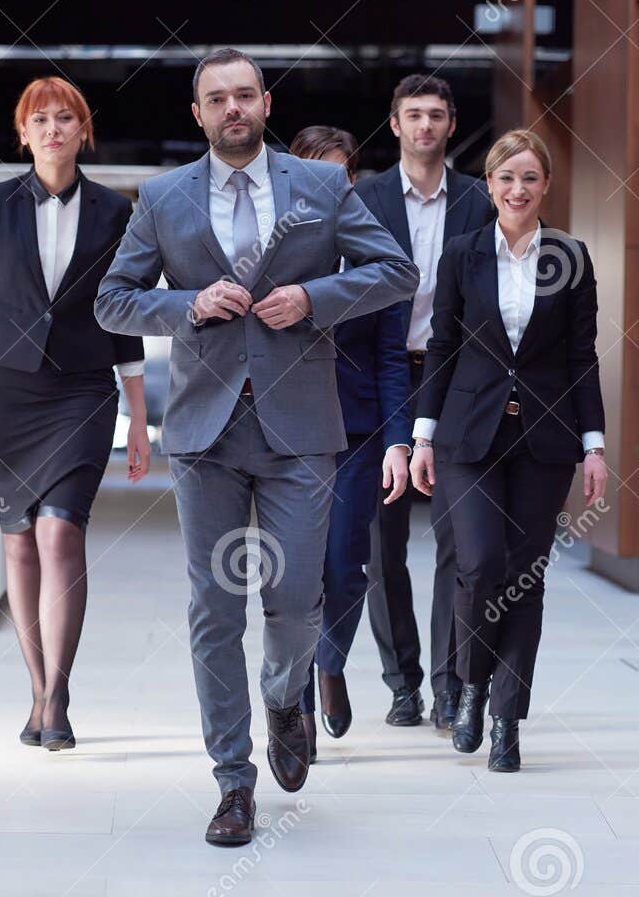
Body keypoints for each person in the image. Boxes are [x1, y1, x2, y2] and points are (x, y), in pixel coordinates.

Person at [94, 50, 418, 846]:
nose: (232, 108)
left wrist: (314, 296)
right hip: (204, 431)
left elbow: (396, 271)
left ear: (266, 103)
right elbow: (112, 301)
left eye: (244, 94)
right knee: (214, 607)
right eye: (218, 98)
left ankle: (283, 695)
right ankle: (232, 782)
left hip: (301, 429)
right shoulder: (163, 197)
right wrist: (187, 303)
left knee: (297, 598)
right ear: (197, 113)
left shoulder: (321, 188)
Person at [0, 75, 151, 753]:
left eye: (65, 118)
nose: (53, 129)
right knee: (19, 541)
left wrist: (139, 419)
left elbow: (123, 318)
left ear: (84, 130)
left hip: (83, 394)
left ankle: (57, 692)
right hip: (8, 394)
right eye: (40, 120)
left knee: (60, 534)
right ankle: (36, 688)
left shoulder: (116, 211)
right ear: (23, 134)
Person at [410, 128, 608, 773]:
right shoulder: (463, 254)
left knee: (525, 577)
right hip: (469, 435)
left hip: (545, 441)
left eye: (529, 178)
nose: (518, 189)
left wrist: (594, 445)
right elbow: (442, 346)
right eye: (506, 177)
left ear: (546, 185)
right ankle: (470, 686)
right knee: (478, 563)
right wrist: (422, 436)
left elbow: (581, 358)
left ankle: (506, 720)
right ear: (489, 185)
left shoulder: (571, 258)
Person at [353, 74, 495, 731]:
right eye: (413, 115)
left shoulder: (479, 201)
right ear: (395, 124)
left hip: (458, 382)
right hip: (384, 380)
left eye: (436, 114)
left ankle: (448, 684)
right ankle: (402, 683)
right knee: (382, 546)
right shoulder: (365, 198)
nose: (425, 126)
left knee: (456, 542)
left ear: (451, 124)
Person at [286, 126, 411, 758]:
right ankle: (300, 702)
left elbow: (392, 356)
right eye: (312, 172)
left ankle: (330, 661)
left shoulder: (375, 255)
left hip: (357, 433)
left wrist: (398, 441)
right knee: (295, 573)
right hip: (287, 432)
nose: (323, 186)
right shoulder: (271, 253)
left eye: (336, 175)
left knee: (342, 565)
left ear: (351, 183)